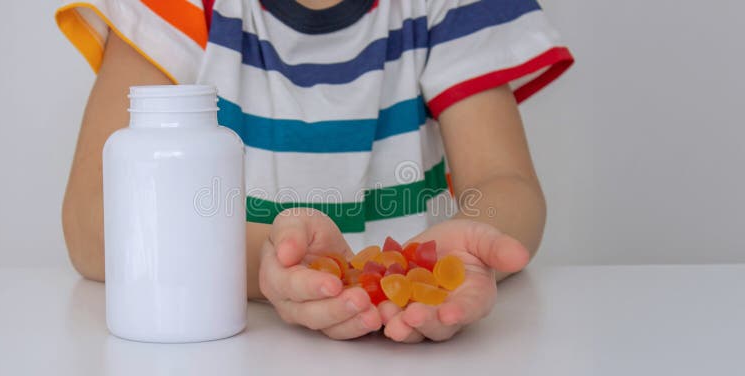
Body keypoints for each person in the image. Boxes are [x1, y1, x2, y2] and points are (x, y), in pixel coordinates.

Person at [56, 0, 573, 342]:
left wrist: (452, 260)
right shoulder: (179, 8)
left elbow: (505, 185)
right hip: (227, 345)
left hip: (411, 341)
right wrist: (266, 263)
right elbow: (92, 223)